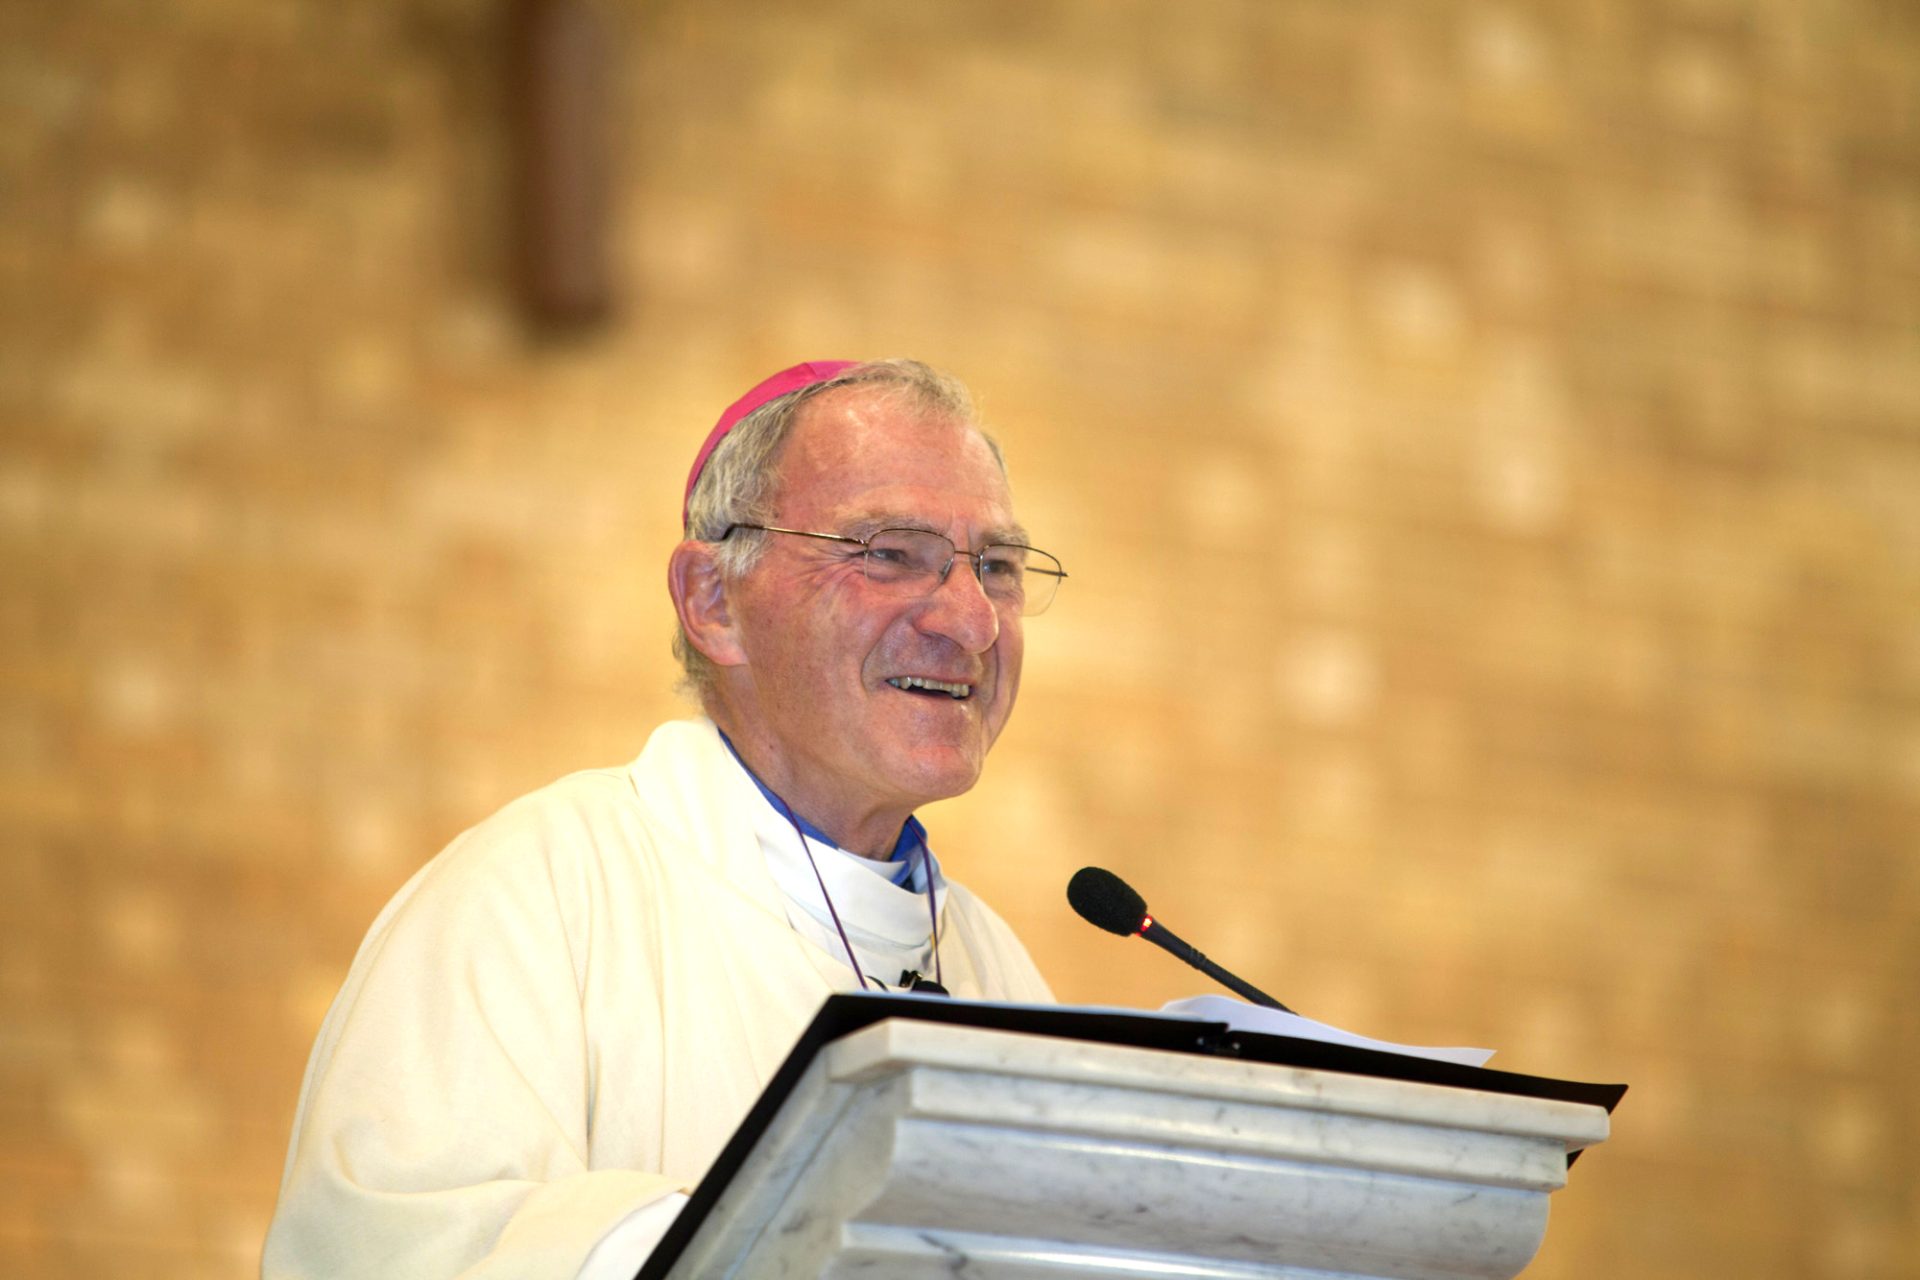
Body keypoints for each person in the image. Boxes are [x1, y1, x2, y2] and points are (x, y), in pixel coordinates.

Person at [262, 359, 1063, 1279]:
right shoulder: (532, 901)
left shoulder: (999, 974)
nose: (971, 620)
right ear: (713, 602)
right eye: (889, 553)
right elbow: (390, 1249)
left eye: (997, 567)